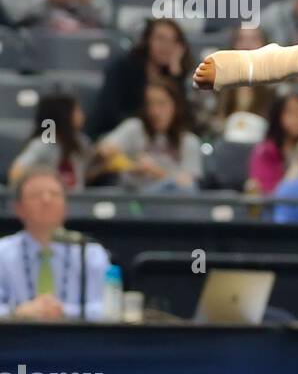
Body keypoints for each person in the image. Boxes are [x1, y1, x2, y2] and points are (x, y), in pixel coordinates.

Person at [0, 167, 110, 321]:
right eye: (36, 195)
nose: (47, 200)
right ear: (18, 208)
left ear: (66, 206)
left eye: (55, 194)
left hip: (78, 341)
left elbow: (108, 308)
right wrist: (19, 313)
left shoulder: (88, 252)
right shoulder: (2, 253)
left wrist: (64, 311)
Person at [88, 18, 193, 138]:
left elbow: (182, 119)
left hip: (157, 141)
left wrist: (176, 77)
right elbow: (108, 113)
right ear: (147, 40)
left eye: (173, 41)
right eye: (161, 39)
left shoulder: (176, 75)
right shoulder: (123, 68)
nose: (166, 46)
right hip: (119, 134)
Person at [95, 80, 202, 193]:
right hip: (134, 199)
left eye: (161, 104)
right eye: (149, 104)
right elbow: (103, 148)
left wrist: (156, 172)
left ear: (176, 106)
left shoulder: (189, 142)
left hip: (170, 202)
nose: (154, 112)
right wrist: (107, 152)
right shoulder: (134, 128)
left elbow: (188, 186)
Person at [7, 94, 94, 190]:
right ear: (64, 115)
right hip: (49, 197)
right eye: (77, 111)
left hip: (77, 200)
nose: (82, 115)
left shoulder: (82, 142)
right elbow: (16, 171)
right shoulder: (43, 144)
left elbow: (84, 174)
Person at [248, 92, 298, 195]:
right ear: (277, 115)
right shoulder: (265, 151)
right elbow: (266, 191)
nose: (297, 118)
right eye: (291, 112)